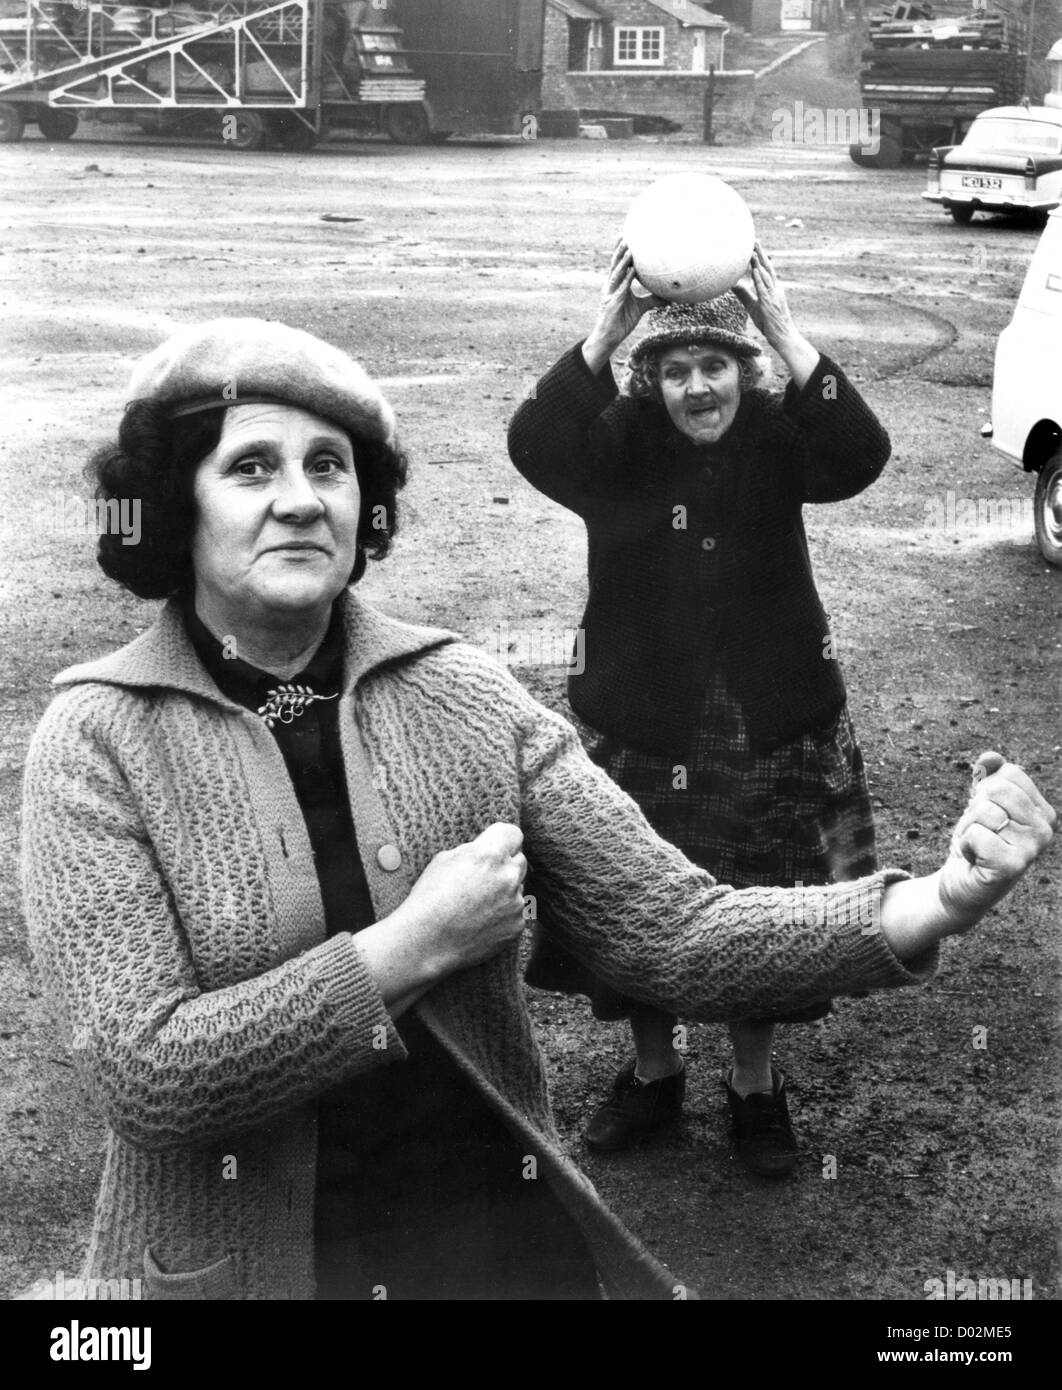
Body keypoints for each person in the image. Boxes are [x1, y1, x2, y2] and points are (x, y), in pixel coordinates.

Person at [20, 317, 1054, 1301]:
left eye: (329, 465)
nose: (300, 500)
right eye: (252, 466)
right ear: (172, 502)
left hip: (493, 1246)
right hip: (241, 1267)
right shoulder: (100, 739)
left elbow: (674, 930)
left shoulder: (459, 691)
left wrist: (935, 901)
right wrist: (410, 947)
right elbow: (148, 1076)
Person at [507, 240, 892, 1175]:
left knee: (761, 903)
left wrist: (787, 334)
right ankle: (653, 1072)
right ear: (651, 381)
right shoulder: (616, 448)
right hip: (640, 721)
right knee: (636, 900)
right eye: (674, 371)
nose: (696, 388)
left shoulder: (777, 436)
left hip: (772, 719)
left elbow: (863, 453)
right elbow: (533, 442)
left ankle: (755, 1089)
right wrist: (604, 335)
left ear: (742, 371)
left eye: (713, 365)